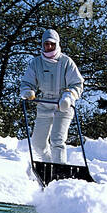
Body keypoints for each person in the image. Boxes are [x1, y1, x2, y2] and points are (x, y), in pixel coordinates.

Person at [20, 29, 84, 164]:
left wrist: (68, 96)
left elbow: (77, 83)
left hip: (63, 105)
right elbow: (27, 82)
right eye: (46, 44)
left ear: (57, 44)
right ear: (42, 45)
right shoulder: (36, 63)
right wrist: (27, 91)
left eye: (52, 44)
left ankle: (60, 172)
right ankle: (49, 164)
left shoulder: (66, 62)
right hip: (44, 104)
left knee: (57, 141)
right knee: (37, 143)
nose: (49, 47)